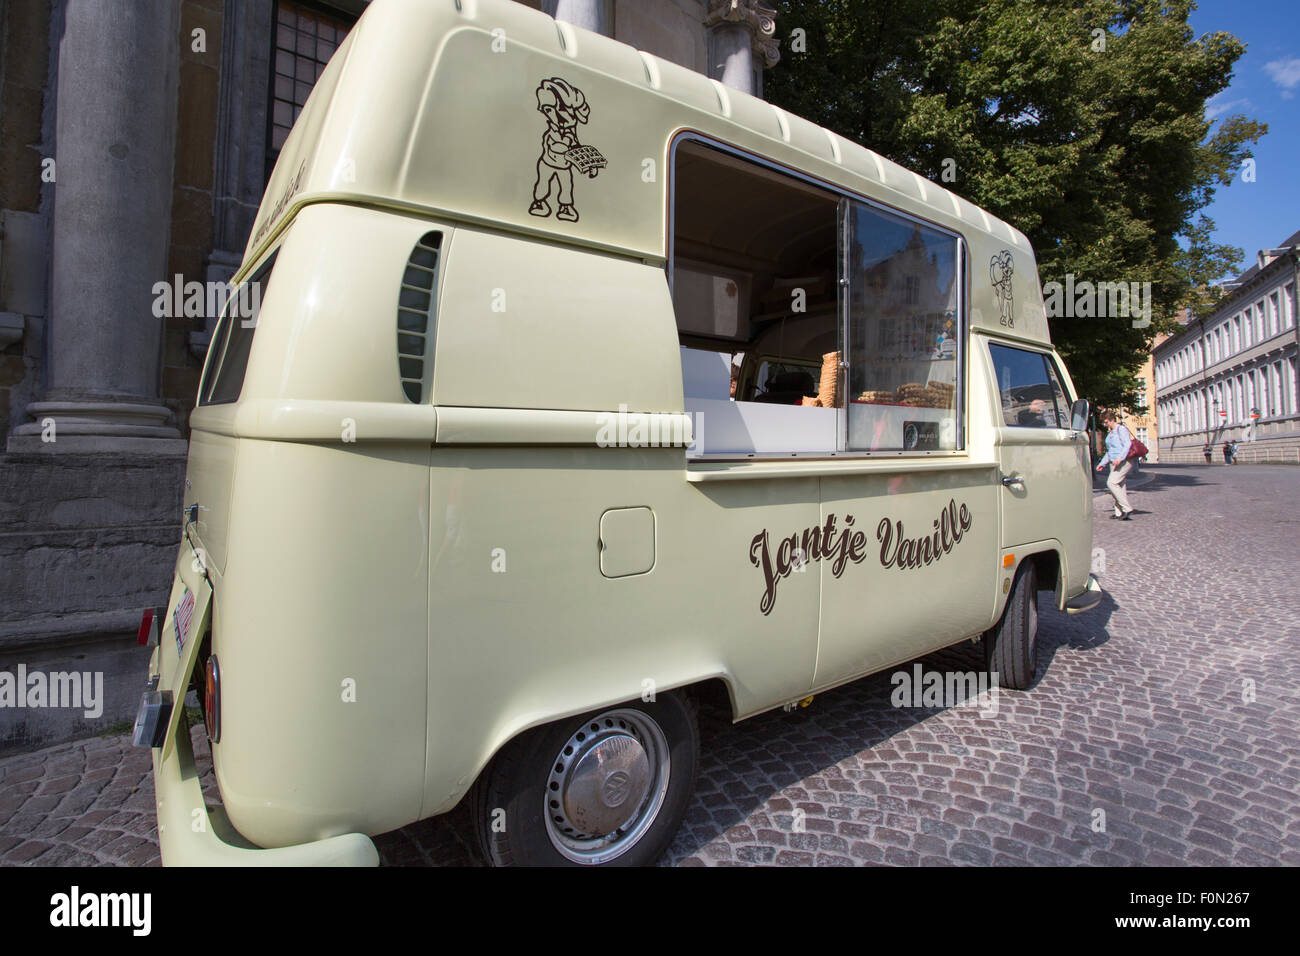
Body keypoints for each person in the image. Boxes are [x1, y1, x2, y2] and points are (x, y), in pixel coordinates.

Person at [1095, 410, 1135, 520]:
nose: (1105, 424)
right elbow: (1110, 451)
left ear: (1112, 420)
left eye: (1106, 422)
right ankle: (1119, 512)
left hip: (1124, 461)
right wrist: (1102, 463)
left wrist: (1120, 458)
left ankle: (1127, 508)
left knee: (1111, 483)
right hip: (1114, 462)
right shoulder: (1111, 432)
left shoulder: (1121, 430)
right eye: (1103, 422)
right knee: (1120, 486)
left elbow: (1127, 444)